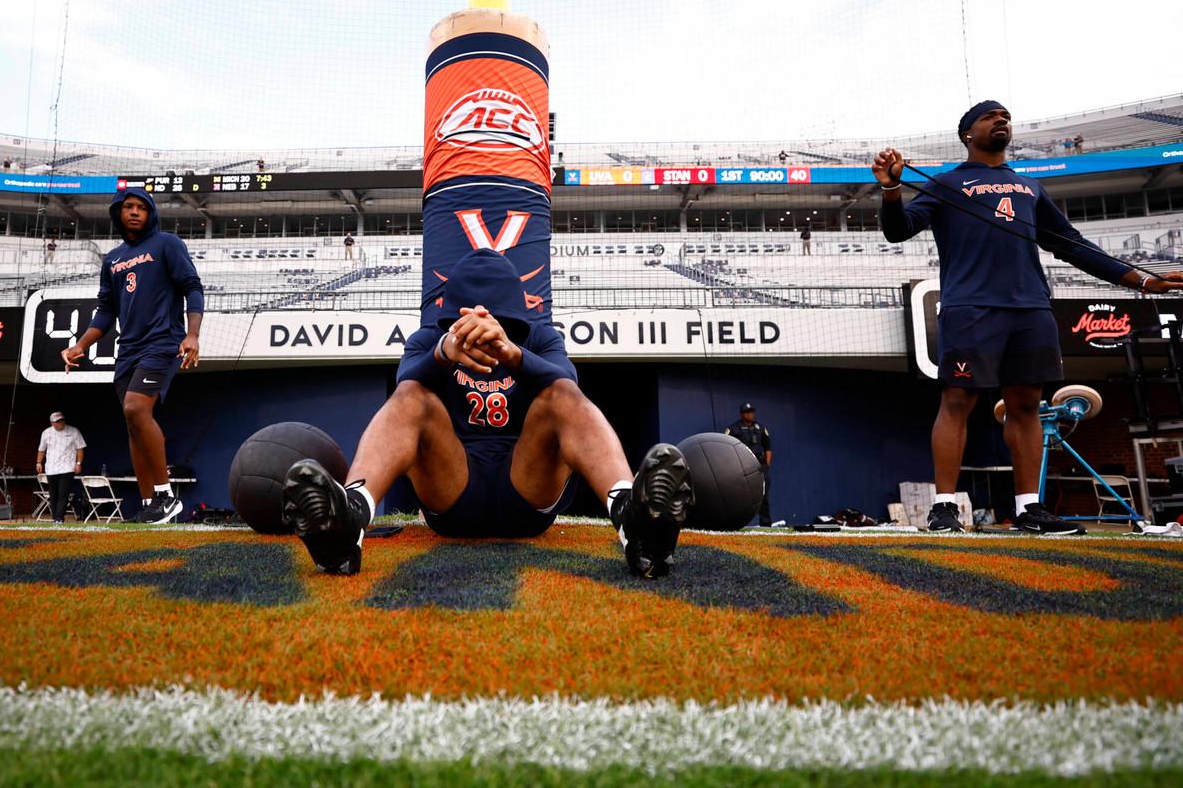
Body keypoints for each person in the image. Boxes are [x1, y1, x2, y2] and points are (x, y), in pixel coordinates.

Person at [873, 100, 1183, 534]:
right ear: (967, 133)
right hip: (971, 307)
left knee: (1026, 405)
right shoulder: (946, 183)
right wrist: (892, 191)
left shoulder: (1030, 187)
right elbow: (898, 230)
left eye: (1006, 116)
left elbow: (1071, 244)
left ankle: (1028, 509)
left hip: (1031, 309)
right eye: (991, 117)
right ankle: (944, 508)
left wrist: (1143, 281)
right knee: (957, 401)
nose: (1001, 120)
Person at [279, 248, 694, 578]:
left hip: (526, 488)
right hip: (454, 490)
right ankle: (348, 523)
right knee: (413, 397)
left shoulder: (541, 336)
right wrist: (443, 354)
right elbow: (406, 387)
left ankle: (633, 523)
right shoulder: (428, 338)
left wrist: (514, 354)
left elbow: (568, 383)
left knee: (561, 395)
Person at [61, 189, 203, 524]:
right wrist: (81, 345)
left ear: (151, 213)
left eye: (142, 207)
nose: (135, 212)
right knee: (133, 424)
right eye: (128, 207)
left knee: (135, 407)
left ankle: (166, 496)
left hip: (163, 342)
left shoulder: (168, 244)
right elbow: (106, 312)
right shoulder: (112, 259)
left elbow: (192, 287)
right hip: (128, 349)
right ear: (118, 212)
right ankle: (148, 502)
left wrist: (192, 334)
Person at [724, 403, 772, 525]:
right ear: (741, 414)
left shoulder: (760, 427)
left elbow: (768, 446)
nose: (750, 414)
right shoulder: (734, 428)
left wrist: (767, 463)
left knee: (763, 494)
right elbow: (725, 446)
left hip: (759, 465)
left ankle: (766, 524)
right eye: (747, 412)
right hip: (742, 465)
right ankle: (735, 523)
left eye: (751, 411)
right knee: (739, 494)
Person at [36, 412, 86, 523]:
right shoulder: (46, 433)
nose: (61, 423)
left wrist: (78, 463)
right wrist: (38, 463)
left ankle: (59, 517)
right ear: (52, 423)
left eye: (62, 420)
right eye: (58, 421)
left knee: (63, 493)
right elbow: (41, 449)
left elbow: (80, 448)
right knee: (53, 494)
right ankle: (55, 516)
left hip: (67, 467)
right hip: (51, 468)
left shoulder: (74, 431)